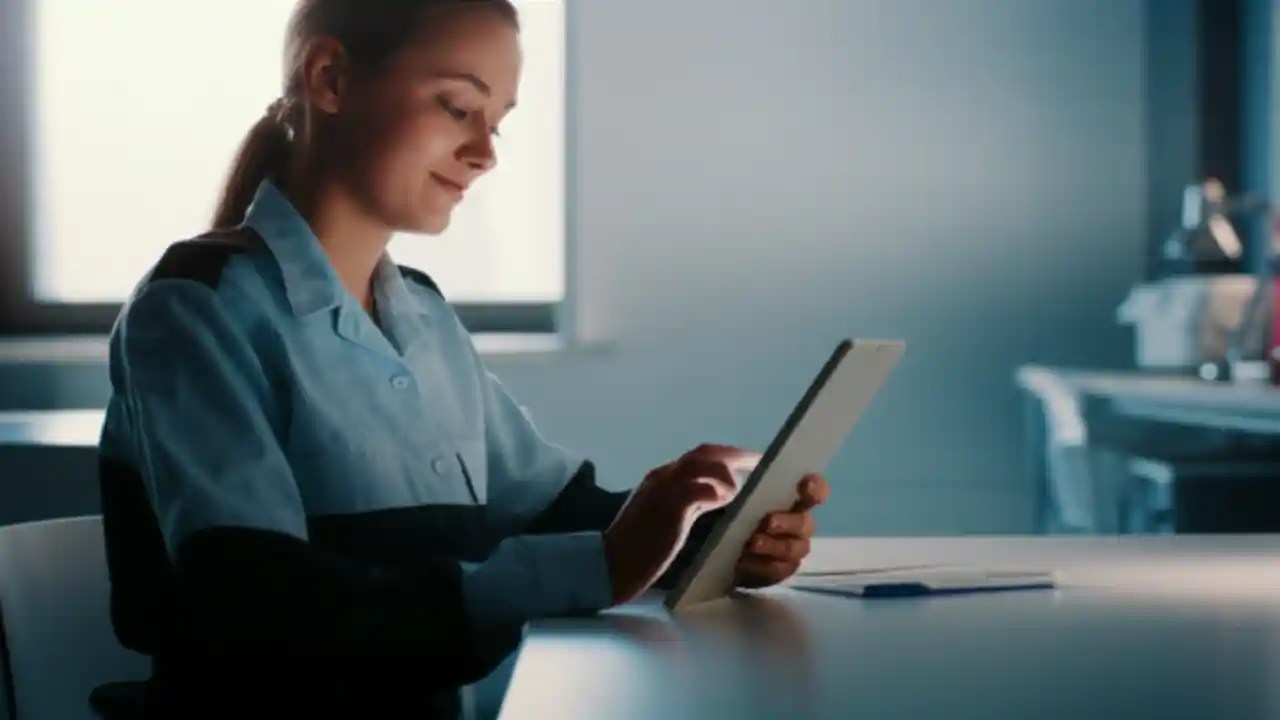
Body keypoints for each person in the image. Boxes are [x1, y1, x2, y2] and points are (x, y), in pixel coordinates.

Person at [95, 0, 829, 716]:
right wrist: (601, 566)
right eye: (456, 107)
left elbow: (548, 509)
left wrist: (711, 536)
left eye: (498, 123)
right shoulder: (194, 308)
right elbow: (259, 595)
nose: (485, 153)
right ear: (331, 79)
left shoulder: (422, 312)